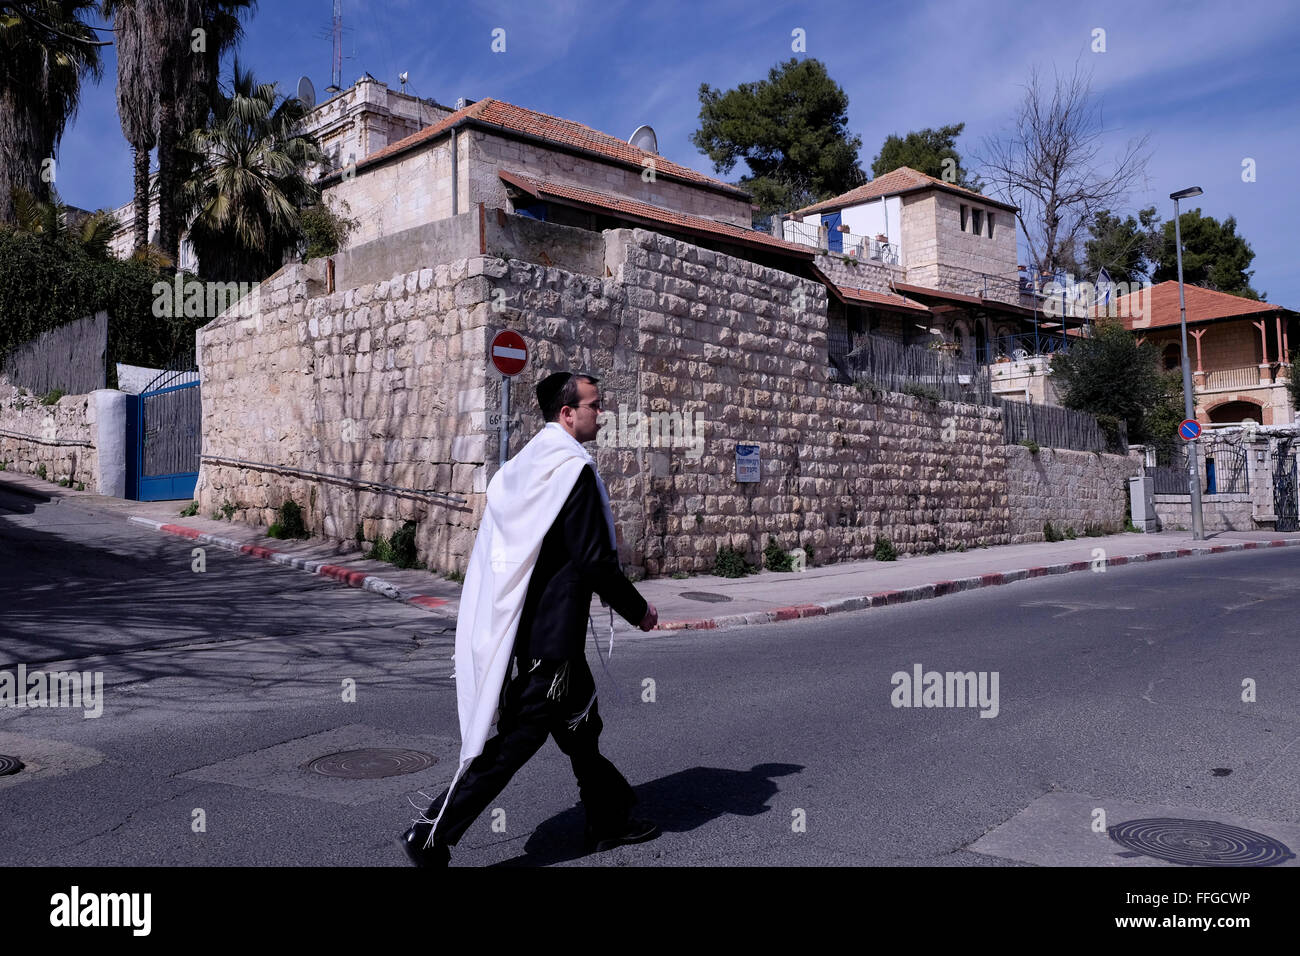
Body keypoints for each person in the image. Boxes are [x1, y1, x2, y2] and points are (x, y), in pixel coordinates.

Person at [401, 371, 660, 867]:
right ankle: (430, 834)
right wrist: (638, 610)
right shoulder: (572, 472)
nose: (600, 415)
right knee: (515, 743)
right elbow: (594, 560)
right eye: (594, 406)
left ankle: (607, 820)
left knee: (584, 726)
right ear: (567, 413)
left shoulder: (524, 468)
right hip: (554, 644)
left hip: (529, 629)